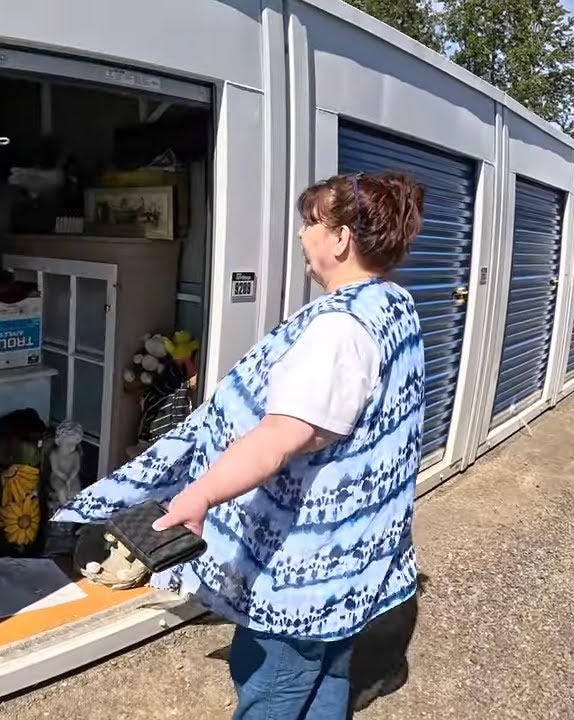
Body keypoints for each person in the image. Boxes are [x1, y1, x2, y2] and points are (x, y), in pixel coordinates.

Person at [53, 171, 426, 719]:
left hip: (306, 571)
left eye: (310, 223)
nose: (302, 235)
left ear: (341, 238)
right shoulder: (394, 305)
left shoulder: (339, 330)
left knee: (272, 685)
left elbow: (281, 438)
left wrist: (198, 495)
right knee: (326, 681)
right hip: (357, 562)